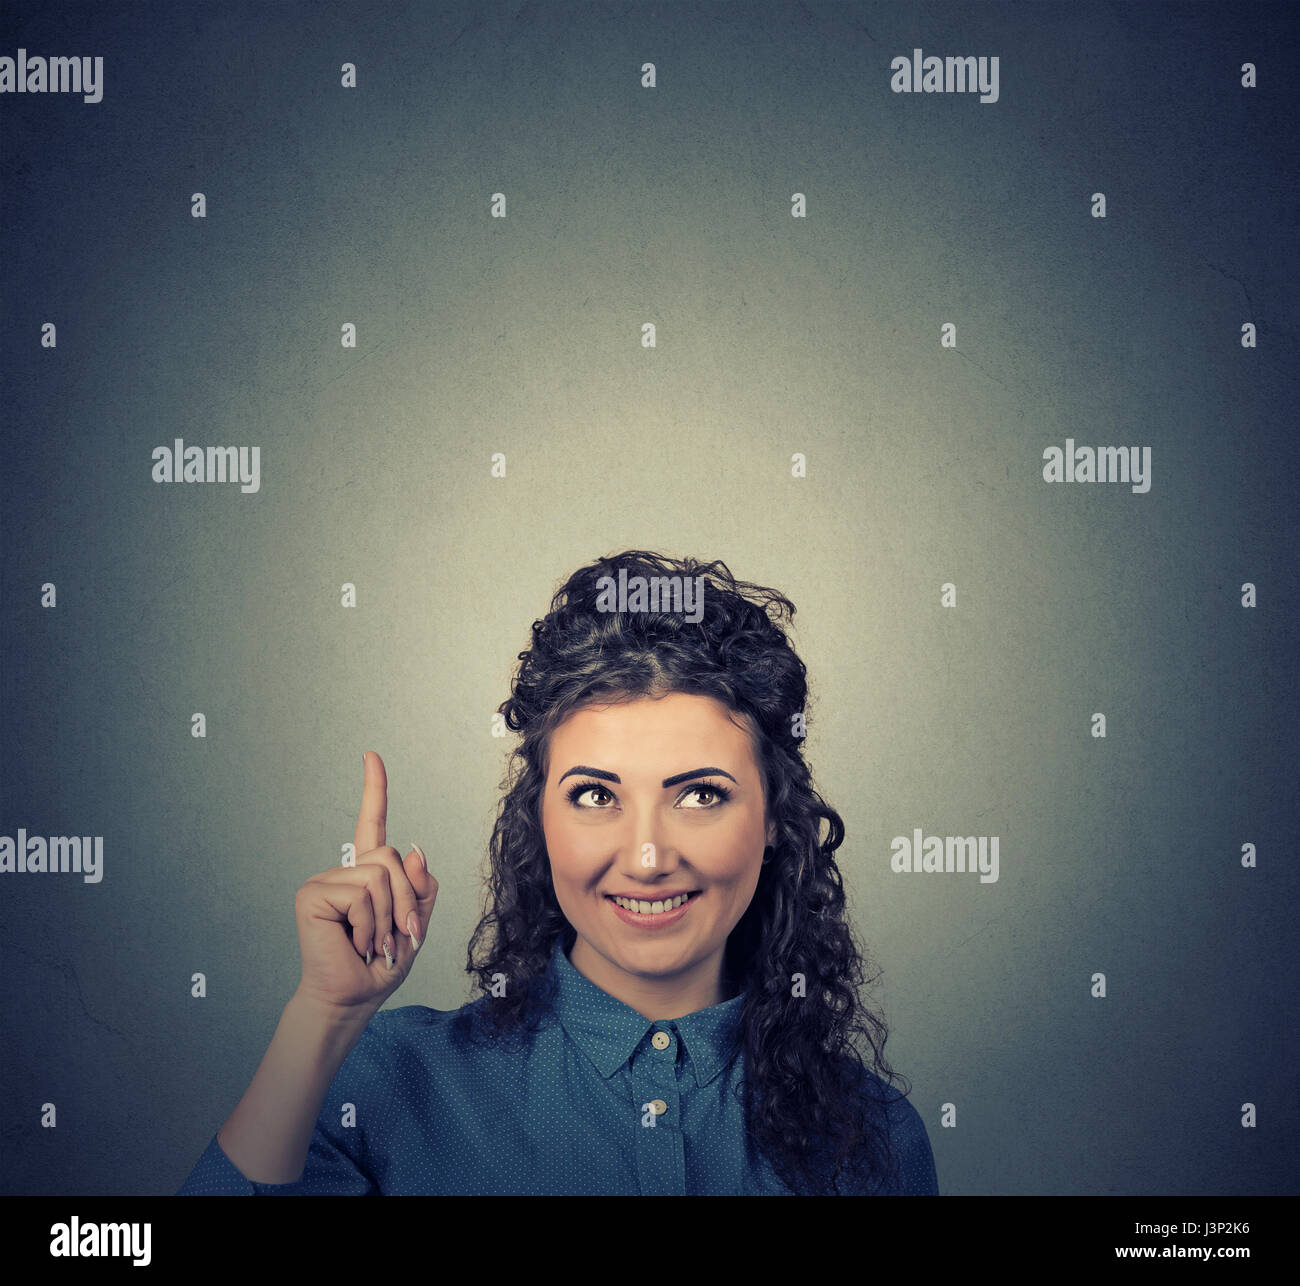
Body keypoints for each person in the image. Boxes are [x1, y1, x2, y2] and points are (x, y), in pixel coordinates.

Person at [177, 550, 939, 1195]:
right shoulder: (382, 1084)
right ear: (538, 815)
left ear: (774, 819)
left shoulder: (875, 1137)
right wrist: (322, 1017)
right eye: (595, 795)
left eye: (701, 794)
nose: (646, 859)